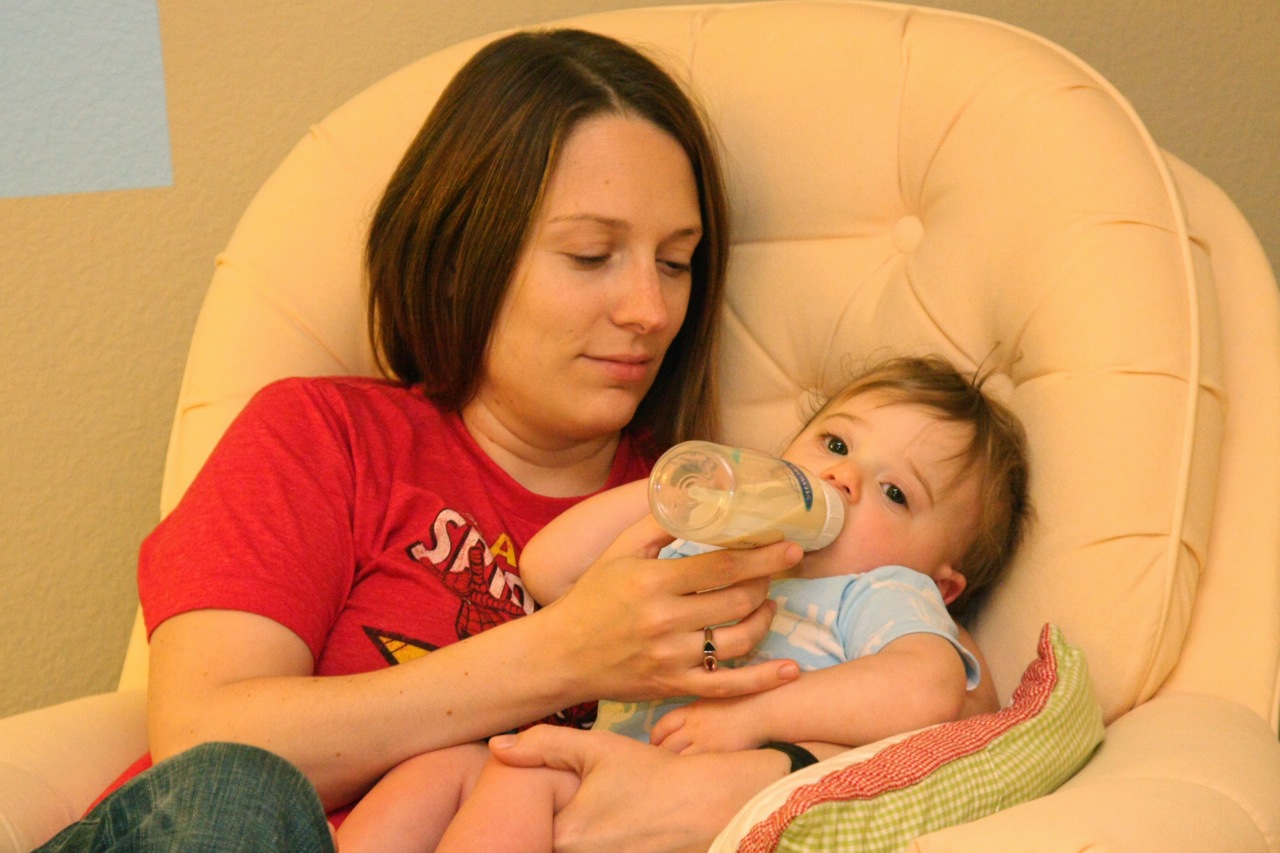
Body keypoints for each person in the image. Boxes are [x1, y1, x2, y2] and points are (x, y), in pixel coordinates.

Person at [34, 28, 808, 853]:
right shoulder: (325, 437)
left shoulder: (699, 524)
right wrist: (564, 654)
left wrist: (773, 765)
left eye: (677, 262)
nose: (650, 310)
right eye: (591, 255)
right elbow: (209, 739)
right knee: (239, 789)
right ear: (457, 258)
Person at [335, 355, 1032, 853]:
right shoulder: (707, 547)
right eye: (835, 442)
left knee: (524, 777)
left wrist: (757, 715)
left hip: (684, 805)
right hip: (601, 771)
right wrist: (690, 494)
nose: (843, 478)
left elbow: (928, 686)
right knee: (435, 769)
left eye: (895, 492)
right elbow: (549, 568)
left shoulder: (880, 591)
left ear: (941, 585)